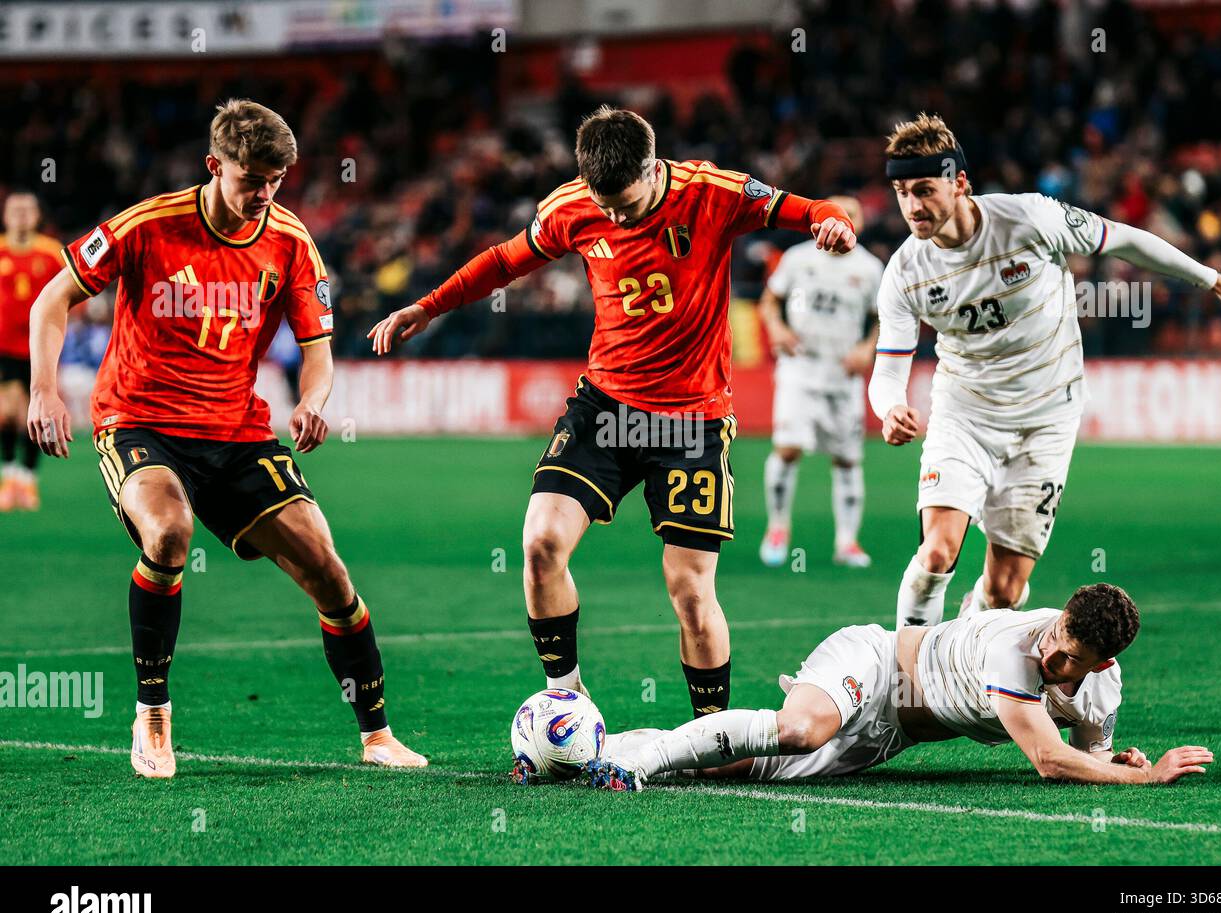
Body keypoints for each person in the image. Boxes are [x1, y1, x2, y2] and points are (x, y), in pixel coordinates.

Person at [369, 105, 857, 722]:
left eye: (626, 206)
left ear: (652, 168)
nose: (617, 218)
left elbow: (808, 209)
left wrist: (835, 223)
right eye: (607, 207)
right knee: (541, 544)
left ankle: (711, 737)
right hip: (605, 409)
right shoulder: (572, 205)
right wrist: (427, 306)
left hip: (692, 422)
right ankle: (566, 703)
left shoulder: (712, 192)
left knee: (690, 591)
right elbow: (504, 261)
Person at [27, 99, 426, 777]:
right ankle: (153, 712)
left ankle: (378, 734)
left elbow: (318, 350)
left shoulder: (291, 241)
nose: (264, 194)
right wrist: (43, 390)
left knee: (329, 572)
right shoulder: (147, 225)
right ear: (215, 166)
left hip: (237, 432)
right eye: (252, 180)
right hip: (139, 422)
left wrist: (312, 401)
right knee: (169, 532)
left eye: (276, 181)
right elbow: (51, 300)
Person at [866, 114, 1221, 628]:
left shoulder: (1029, 219)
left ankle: (973, 633)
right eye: (902, 193)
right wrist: (891, 407)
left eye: (924, 190)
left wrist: (1212, 279)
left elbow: (1124, 239)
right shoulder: (904, 272)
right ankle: (910, 670)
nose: (912, 206)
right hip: (965, 416)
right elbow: (888, 369)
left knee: (1004, 590)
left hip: (1047, 420)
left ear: (959, 183)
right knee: (936, 553)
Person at [585, 583, 1214, 789]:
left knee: (733, 768)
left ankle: (591, 750)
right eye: (1055, 634)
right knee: (799, 730)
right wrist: (1148, 778)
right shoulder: (1013, 648)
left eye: (1068, 657)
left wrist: (1115, 761)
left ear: (1100, 666)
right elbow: (1050, 761)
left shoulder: (1102, 689)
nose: (1049, 652)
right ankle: (641, 763)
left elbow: (1087, 755)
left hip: (889, 737)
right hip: (877, 663)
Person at [757, 195, 884, 569]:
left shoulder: (870, 268)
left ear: (860, 223)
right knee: (788, 449)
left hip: (843, 374)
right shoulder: (798, 258)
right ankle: (777, 529)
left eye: (853, 214)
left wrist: (867, 348)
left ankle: (847, 542)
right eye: (840, 212)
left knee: (847, 459)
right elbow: (769, 300)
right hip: (800, 368)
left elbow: (883, 318)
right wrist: (777, 328)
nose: (846, 220)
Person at [0, 191, 63, 511]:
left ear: (37, 216)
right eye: (15, 210)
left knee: (34, 414)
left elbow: (70, 292)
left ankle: (26, 479)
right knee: (7, 413)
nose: (21, 215)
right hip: (3, 347)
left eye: (27, 210)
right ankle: (11, 476)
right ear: (5, 215)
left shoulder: (51, 253)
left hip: (40, 348)